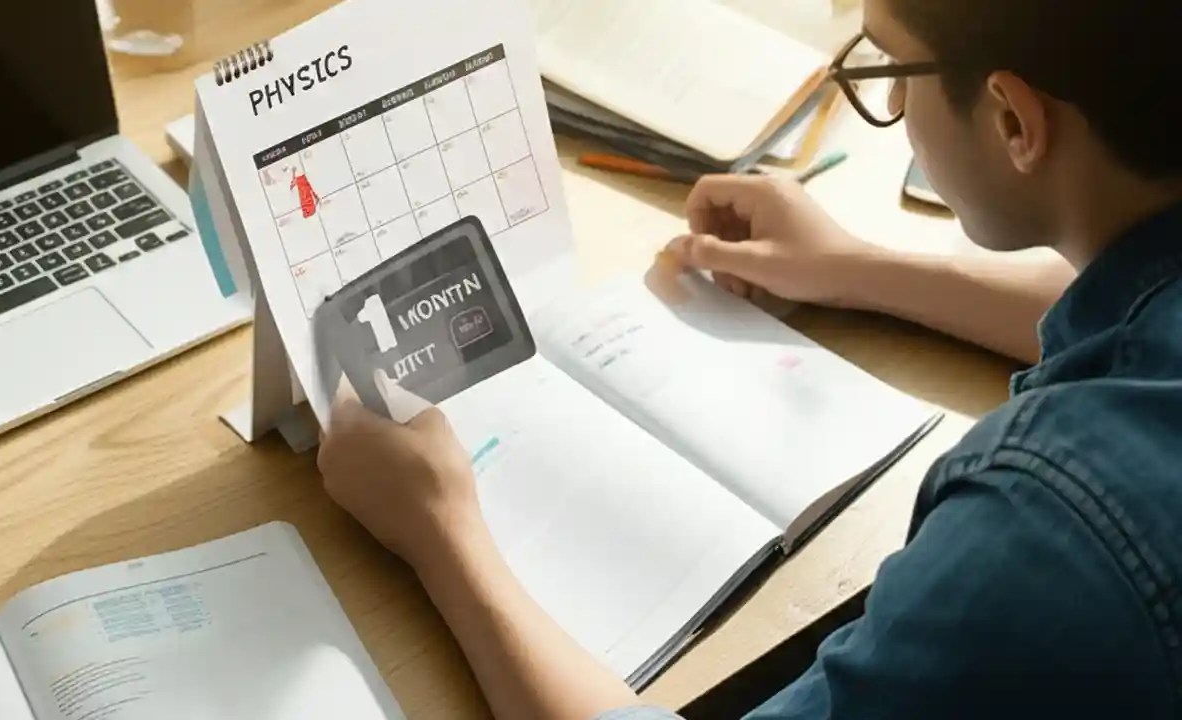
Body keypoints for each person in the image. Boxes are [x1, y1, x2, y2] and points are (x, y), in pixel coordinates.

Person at [317, 0, 1182, 717]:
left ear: (1012, 121)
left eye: (885, 70)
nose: (888, 103)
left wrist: (445, 535)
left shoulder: (1043, 535)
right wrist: (858, 270)